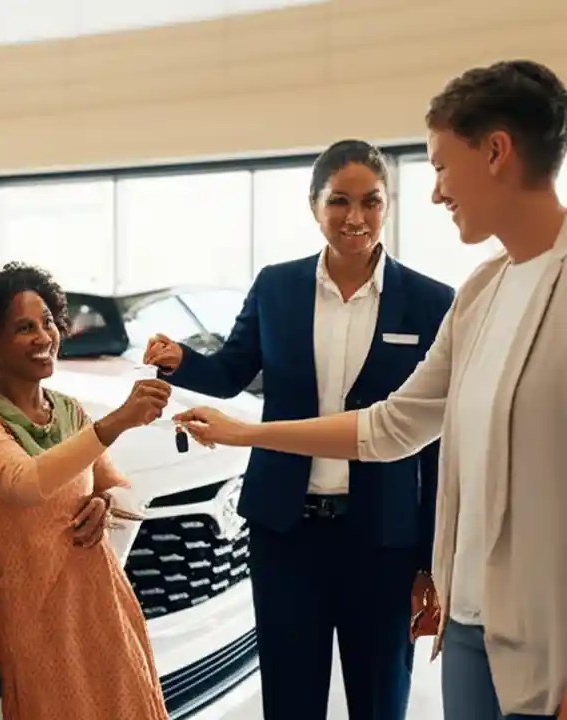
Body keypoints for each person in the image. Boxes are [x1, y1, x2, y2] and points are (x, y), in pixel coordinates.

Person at [172, 59, 567, 720]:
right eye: (339, 200)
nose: (436, 192)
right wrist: (243, 431)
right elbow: (393, 426)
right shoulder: (480, 293)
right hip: (468, 623)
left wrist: (421, 563)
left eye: (440, 165)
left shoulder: (442, 296)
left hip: (534, 628)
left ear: (496, 151)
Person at [144, 139, 455, 719]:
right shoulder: (277, 287)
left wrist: (432, 562)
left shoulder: (431, 301)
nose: (355, 217)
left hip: (383, 540)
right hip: (285, 533)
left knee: (380, 700)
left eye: (371, 201)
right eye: (339, 201)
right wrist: (180, 360)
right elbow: (231, 372)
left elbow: (437, 443)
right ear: (315, 206)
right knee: (289, 700)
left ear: (388, 206)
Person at [0, 262, 171, 720]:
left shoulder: (69, 410)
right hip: (36, 617)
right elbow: (24, 482)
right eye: (23, 328)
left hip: (103, 604)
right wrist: (116, 423)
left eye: (47, 322)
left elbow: (118, 486)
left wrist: (105, 502)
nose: (43, 336)